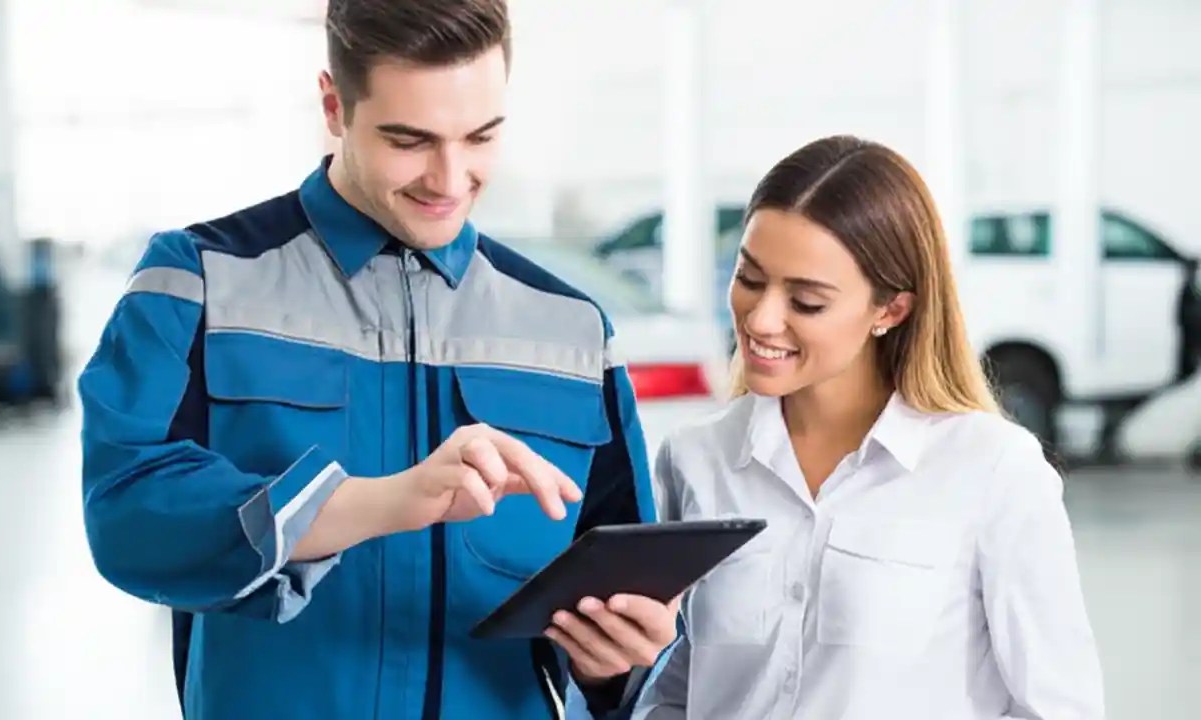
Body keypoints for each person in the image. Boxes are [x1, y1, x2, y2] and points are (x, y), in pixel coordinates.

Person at [76, 2, 679, 718]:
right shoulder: (200, 281)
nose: (450, 178)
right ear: (334, 106)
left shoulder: (572, 329)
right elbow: (128, 516)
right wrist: (380, 503)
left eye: (481, 137)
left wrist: (617, 665)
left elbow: (621, 600)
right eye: (409, 140)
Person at [633, 135, 1105, 719]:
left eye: (806, 301)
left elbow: (1060, 707)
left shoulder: (993, 470)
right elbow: (686, 684)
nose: (760, 318)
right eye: (750, 278)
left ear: (891, 310)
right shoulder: (695, 457)